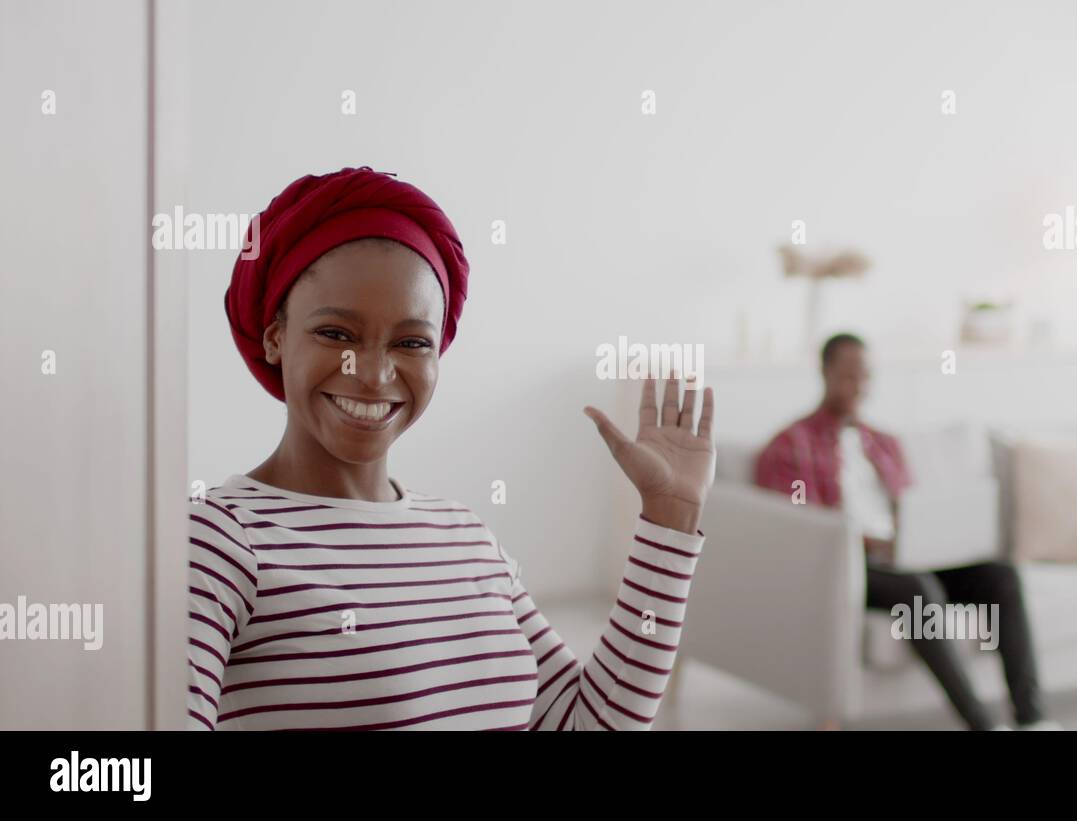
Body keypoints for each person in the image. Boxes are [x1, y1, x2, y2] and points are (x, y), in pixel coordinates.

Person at [187, 166, 716, 730]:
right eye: (335, 334)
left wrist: (671, 516)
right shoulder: (220, 541)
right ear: (275, 336)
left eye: (412, 342)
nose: (373, 374)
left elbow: (588, 723)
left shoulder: (466, 537)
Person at [753, 332, 1057, 730]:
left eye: (865, 377)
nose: (859, 387)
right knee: (917, 588)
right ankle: (981, 724)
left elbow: (912, 508)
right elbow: (805, 530)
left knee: (1001, 577)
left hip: (911, 554)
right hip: (853, 566)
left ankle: (1033, 720)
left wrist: (931, 535)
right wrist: (878, 543)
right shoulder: (790, 445)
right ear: (825, 373)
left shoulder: (883, 443)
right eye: (848, 376)